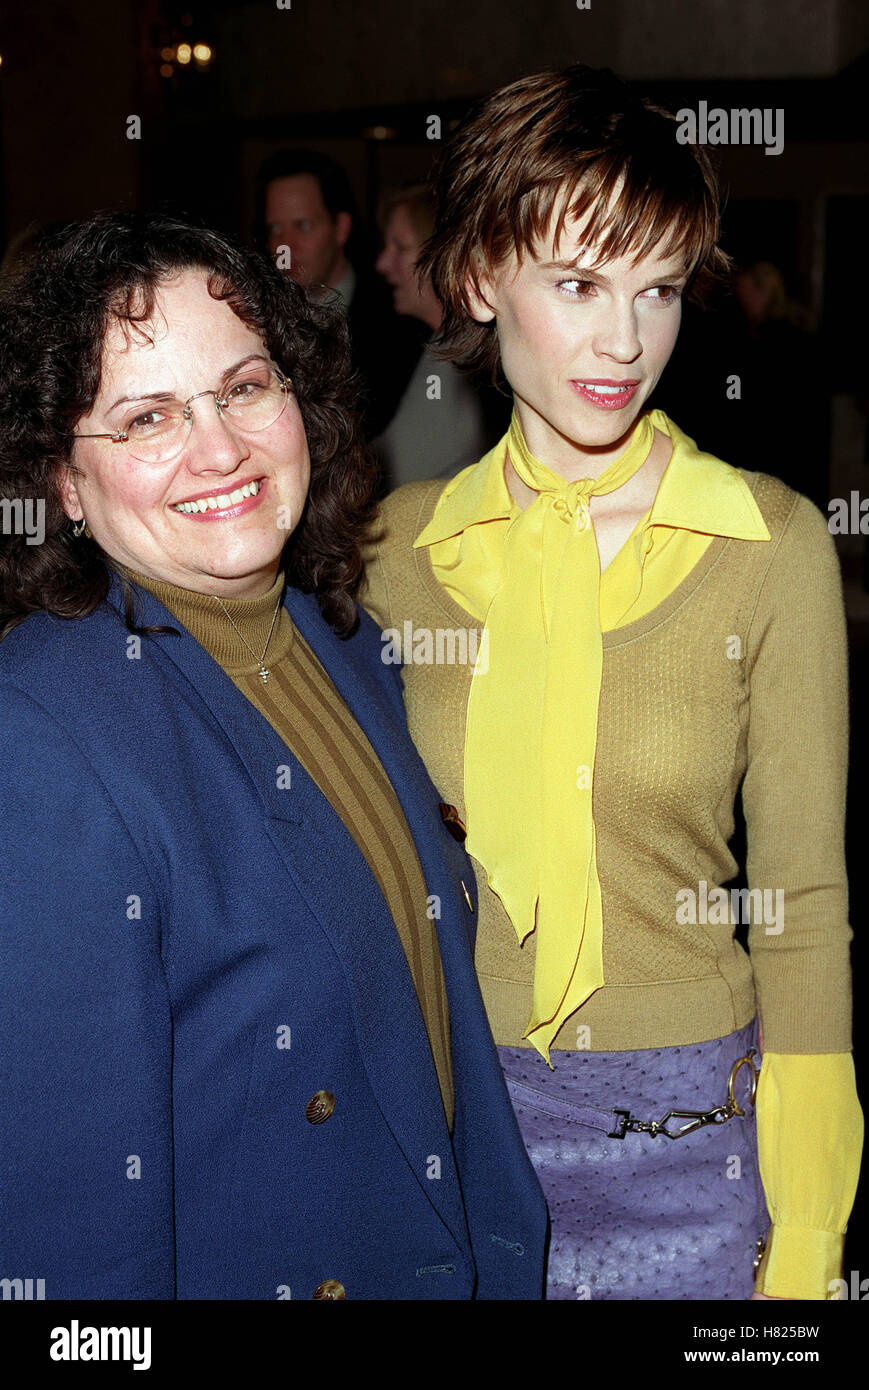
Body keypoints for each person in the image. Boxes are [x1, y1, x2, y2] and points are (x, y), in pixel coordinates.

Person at [361, 65, 863, 1301]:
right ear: (478, 275)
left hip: (680, 1134)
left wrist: (804, 1243)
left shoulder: (765, 542)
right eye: (577, 284)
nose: (624, 340)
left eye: (653, 290)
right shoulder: (390, 553)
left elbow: (799, 906)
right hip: (449, 1111)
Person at [0, 211, 547, 1300]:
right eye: (146, 416)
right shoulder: (42, 739)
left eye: (245, 387)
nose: (219, 449)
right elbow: (68, 1231)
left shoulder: (344, 640)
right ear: (63, 480)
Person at [256, 149, 423, 440]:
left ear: (340, 228)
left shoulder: (398, 320)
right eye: (275, 229)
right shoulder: (257, 320)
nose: (284, 246)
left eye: (303, 226)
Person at [373, 184, 508, 488]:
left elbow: (401, 473)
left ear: (440, 256)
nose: (383, 263)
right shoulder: (437, 345)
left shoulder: (479, 362)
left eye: (400, 247)